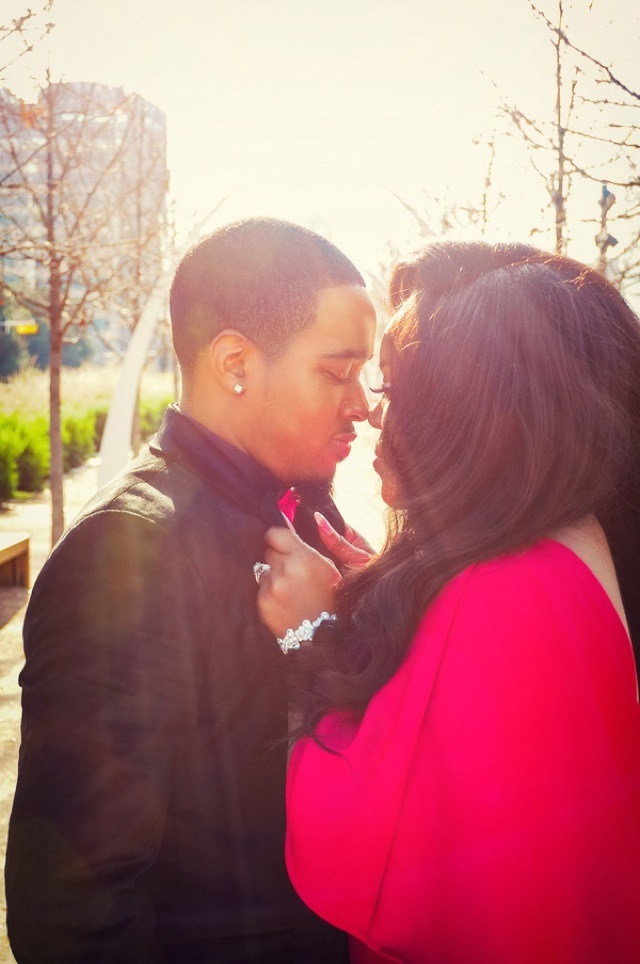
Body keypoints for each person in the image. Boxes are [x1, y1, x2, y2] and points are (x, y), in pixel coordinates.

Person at [5, 217, 377, 963]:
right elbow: (76, 908)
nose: (363, 402)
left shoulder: (306, 508)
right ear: (235, 360)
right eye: (337, 373)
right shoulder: (127, 552)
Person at [257, 241, 640, 963]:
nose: (373, 413)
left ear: (470, 417)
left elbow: (369, 849)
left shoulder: (507, 596)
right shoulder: (557, 545)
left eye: (398, 392)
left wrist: (308, 633)